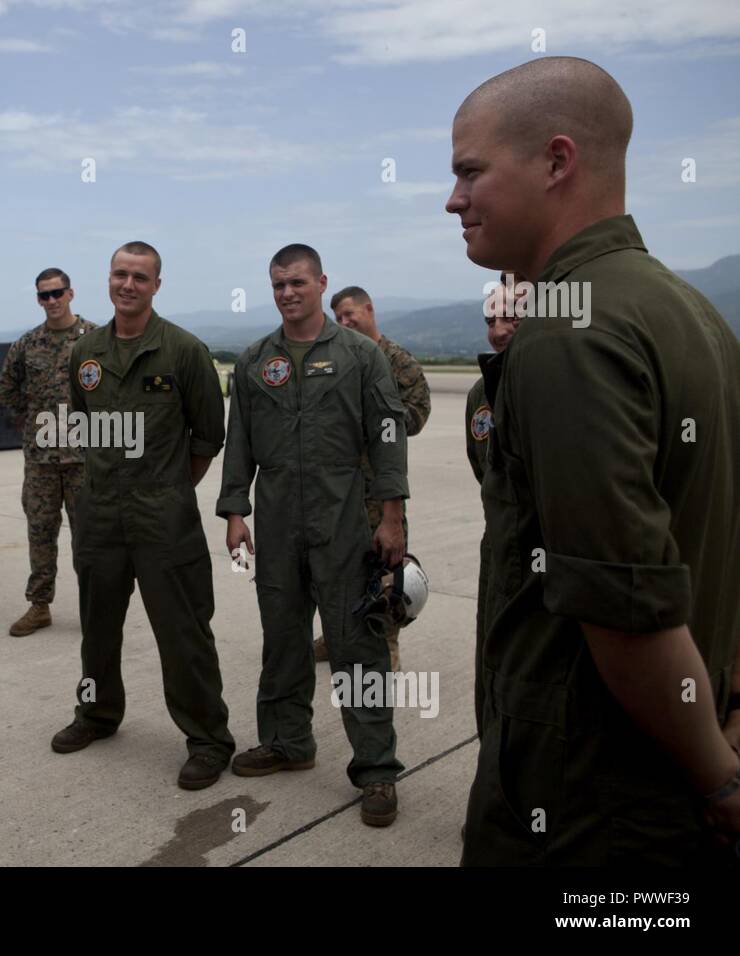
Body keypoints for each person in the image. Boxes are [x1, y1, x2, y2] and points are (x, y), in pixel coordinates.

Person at [448, 56, 740, 864]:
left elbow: (624, 608)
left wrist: (720, 784)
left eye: (470, 171)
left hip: (586, 803)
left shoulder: (568, 337)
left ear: (557, 160)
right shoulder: (686, 311)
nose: (453, 198)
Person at [219, 244, 409, 826]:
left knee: (357, 646)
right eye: (277, 284)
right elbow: (240, 440)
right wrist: (234, 511)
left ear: (321, 282)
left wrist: (392, 516)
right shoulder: (255, 361)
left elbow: (387, 433)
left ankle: (376, 770)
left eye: (297, 282)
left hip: (343, 519)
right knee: (282, 637)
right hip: (275, 522)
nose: (286, 293)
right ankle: (288, 742)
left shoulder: (357, 355)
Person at [49, 241, 235, 791]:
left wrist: (171, 488)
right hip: (100, 517)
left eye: (140, 277)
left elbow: (208, 436)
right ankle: (97, 715)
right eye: (119, 274)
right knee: (96, 631)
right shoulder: (85, 353)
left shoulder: (184, 351)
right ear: (108, 280)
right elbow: (83, 425)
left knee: (183, 635)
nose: (128, 285)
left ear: (157, 285)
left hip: (164, 521)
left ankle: (208, 739)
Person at [322, 286, 430, 669]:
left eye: (351, 314)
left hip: (379, 486)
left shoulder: (397, 360)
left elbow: (417, 413)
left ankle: (387, 646)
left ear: (369, 309)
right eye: (339, 318)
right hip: (337, 485)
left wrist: (378, 417)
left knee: (384, 566)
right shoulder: (336, 357)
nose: (345, 322)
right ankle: (334, 637)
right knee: (335, 565)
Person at [0, 268, 96, 636]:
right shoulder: (28, 344)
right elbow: (5, 390)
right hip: (40, 460)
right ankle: (39, 606)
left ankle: (95, 608)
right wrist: (31, 417)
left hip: (84, 458)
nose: (51, 301)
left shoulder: (95, 339)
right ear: (38, 299)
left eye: (57, 293)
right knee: (40, 532)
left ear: (71, 293)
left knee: (88, 536)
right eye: (44, 295)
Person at [465, 273, 524, 735]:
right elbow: (484, 470)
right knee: (492, 668)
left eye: (512, 316)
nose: (499, 329)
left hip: (545, 560)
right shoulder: (480, 395)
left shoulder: (561, 384)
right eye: (491, 319)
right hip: (498, 550)